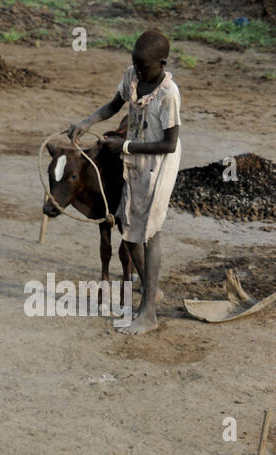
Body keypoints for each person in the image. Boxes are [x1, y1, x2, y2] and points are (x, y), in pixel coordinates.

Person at [69, 29, 181, 335]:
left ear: (162, 62)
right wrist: (86, 122)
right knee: (128, 231)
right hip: (133, 156)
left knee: (150, 233)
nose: (140, 71)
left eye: (145, 67)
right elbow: (113, 105)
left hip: (158, 163)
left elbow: (170, 144)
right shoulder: (132, 76)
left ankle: (148, 314)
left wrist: (127, 147)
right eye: (136, 65)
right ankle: (151, 291)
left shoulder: (168, 95)